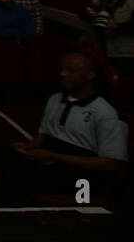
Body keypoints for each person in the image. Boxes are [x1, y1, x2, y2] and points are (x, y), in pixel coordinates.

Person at [11, 53, 128, 199]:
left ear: (90, 75)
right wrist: (29, 149)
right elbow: (43, 134)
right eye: (62, 69)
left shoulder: (106, 113)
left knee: (23, 180)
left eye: (71, 70)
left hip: (84, 176)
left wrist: (54, 156)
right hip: (52, 163)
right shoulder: (55, 100)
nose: (63, 73)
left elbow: (111, 164)